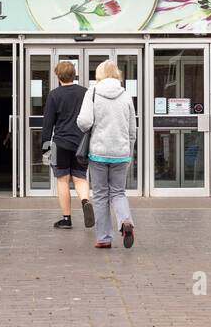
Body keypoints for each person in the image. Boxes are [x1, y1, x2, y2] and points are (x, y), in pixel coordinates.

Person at [76, 60, 137, 249]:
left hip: (98, 153)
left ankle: (103, 238)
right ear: (117, 74)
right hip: (121, 152)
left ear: (99, 74)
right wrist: (130, 152)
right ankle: (125, 221)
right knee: (118, 192)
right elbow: (132, 129)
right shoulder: (125, 95)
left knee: (101, 195)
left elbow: (84, 122)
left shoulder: (92, 92)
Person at [39, 60, 94, 230]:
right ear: (74, 74)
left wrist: (45, 146)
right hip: (81, 144)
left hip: (60, 144)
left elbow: (48, 123)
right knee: (80, 178)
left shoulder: (54, 95)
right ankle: (85, 201)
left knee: (62, 180)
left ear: (57, 75)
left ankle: (66, 218)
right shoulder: (85, 93)